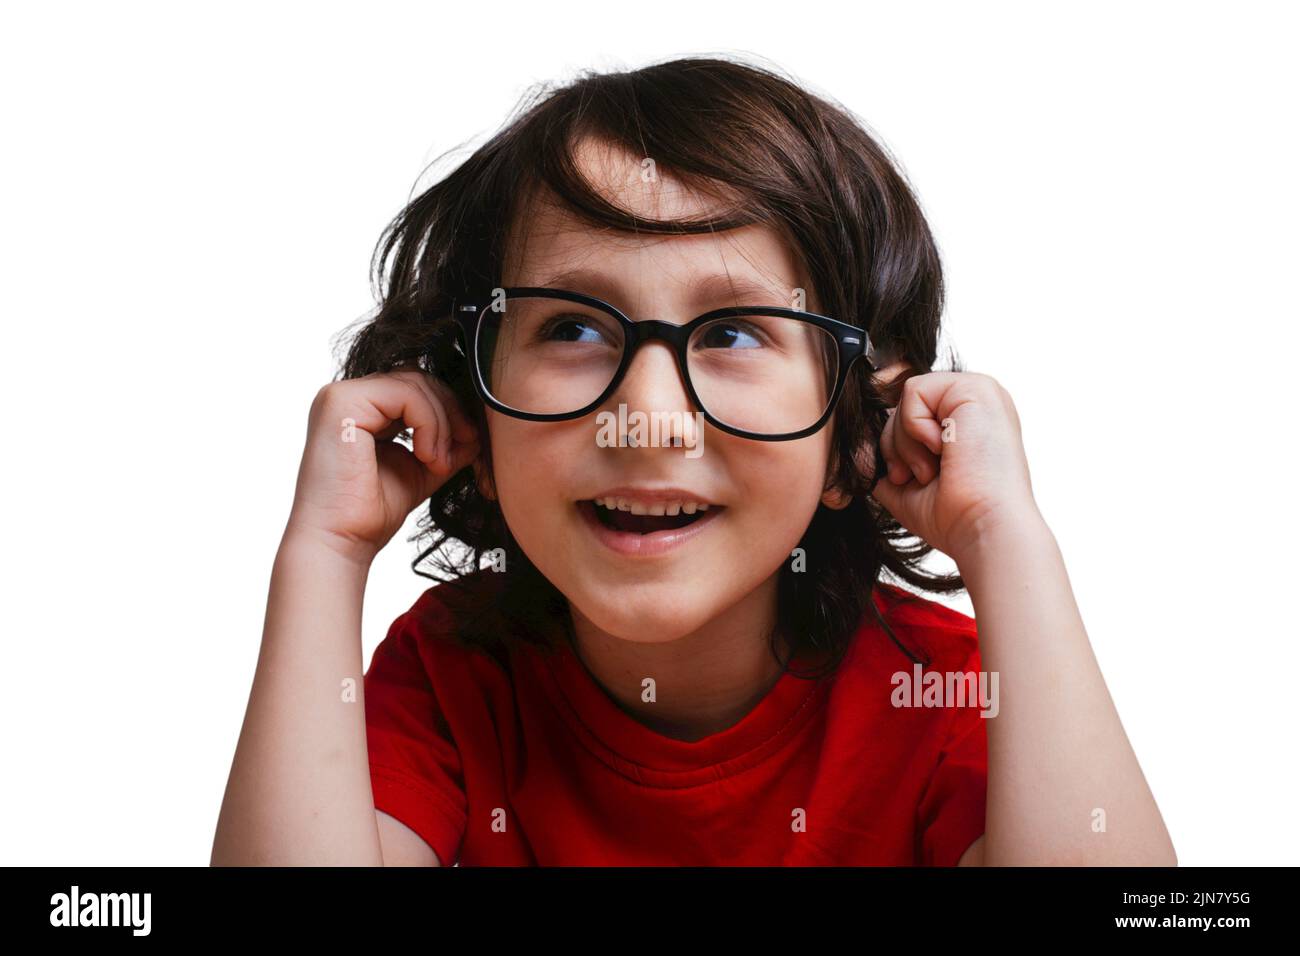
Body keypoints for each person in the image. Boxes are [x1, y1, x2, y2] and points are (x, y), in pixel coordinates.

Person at [211, 55, 1176, 866]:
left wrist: (1009, 542)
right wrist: (325, 554)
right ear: (475, 420)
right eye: (574, 327)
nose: (651, 419)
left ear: (854, 434)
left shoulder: (946, 689)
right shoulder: (455, 672)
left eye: (738, 334)